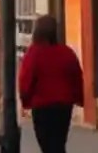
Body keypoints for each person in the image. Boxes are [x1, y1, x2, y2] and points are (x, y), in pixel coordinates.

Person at [19, 14, 84, 153]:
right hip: (63, 105)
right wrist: (78, 98)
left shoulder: (34, 53)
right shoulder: (67, 53)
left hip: (42, 105)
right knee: (58, 142)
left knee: (47, 144)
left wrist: (25, 99)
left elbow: (26, 77)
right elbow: (76, 77)